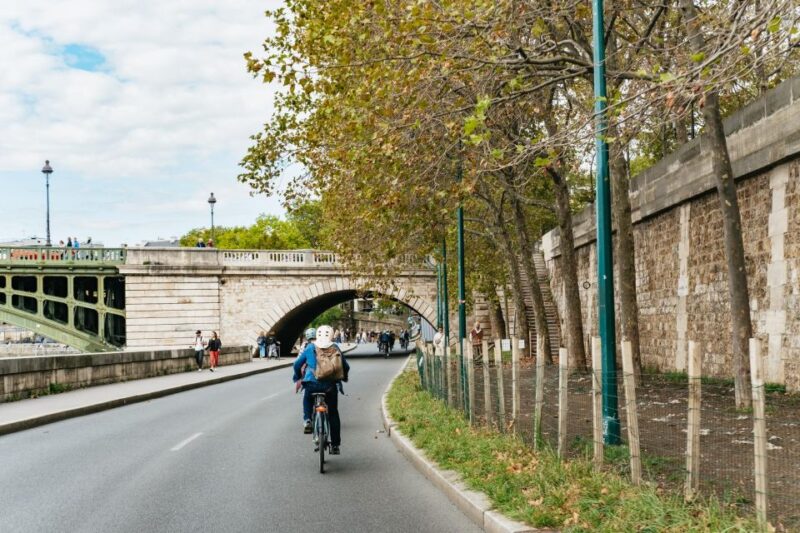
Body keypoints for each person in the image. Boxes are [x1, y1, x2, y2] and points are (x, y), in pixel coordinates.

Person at [293, 325, 350, 455]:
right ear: (331, 336)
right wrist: (344, 378)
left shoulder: (310, 347)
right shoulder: (335, 347)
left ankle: (307, 420)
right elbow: (345, 366)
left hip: (312, 384)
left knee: (307, 398)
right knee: (333, 413)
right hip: (330, 386)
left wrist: (298, 376)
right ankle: (335, 445)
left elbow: (297, 364)